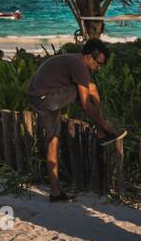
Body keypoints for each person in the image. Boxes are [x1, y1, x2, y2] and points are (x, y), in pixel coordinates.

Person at [27, 39, 124, 202]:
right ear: (88, 57)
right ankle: (102, 131)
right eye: (98, 63)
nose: (98, 68)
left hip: (39, 98)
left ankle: (55, 192)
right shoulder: (79, 65)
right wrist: (106, 124)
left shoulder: (73, 60)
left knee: (53, 141)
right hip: (46, 98)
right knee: (91, 88)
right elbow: (86, 104)